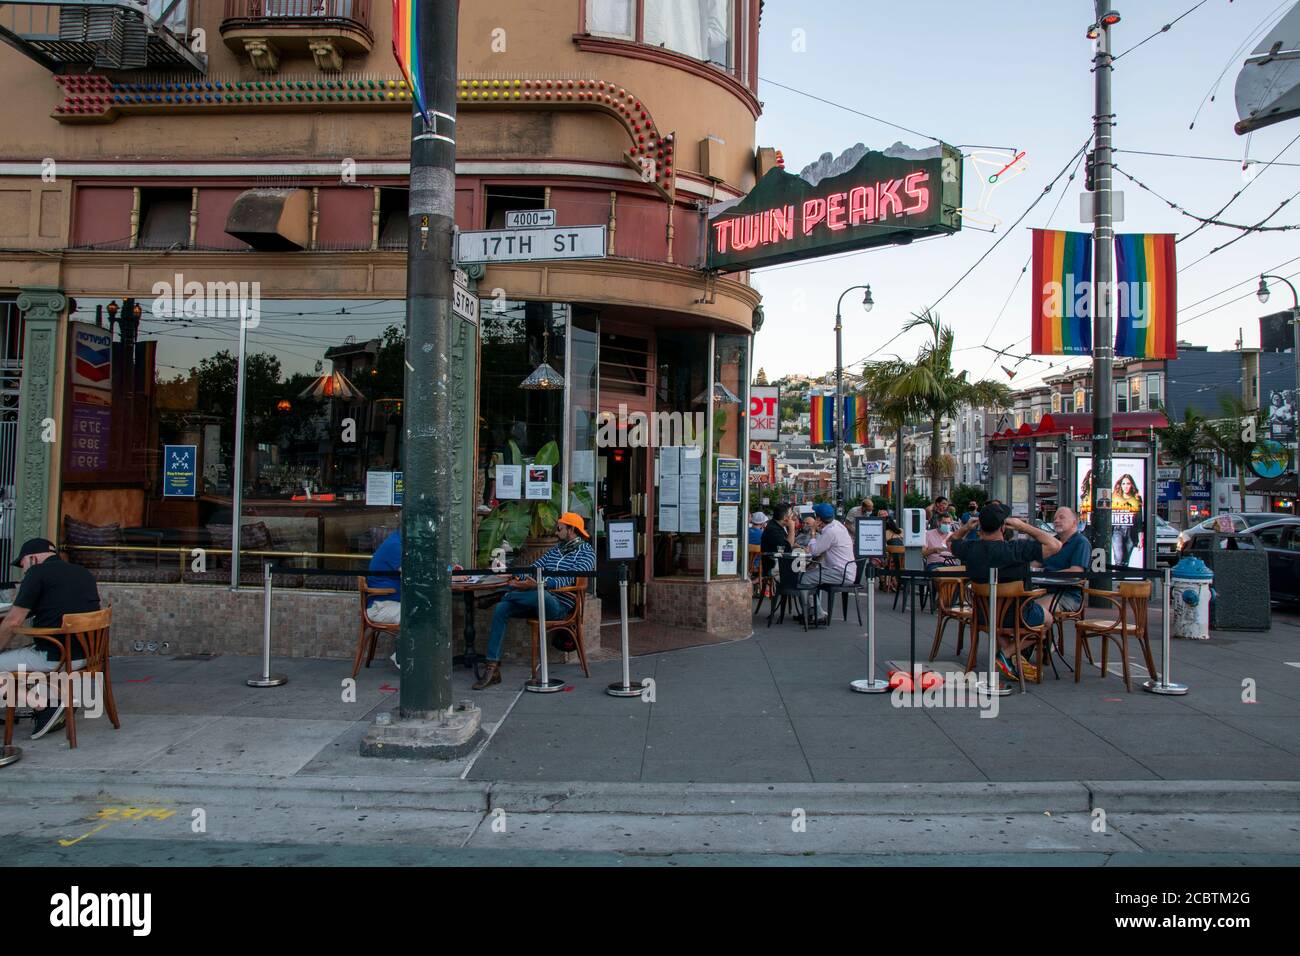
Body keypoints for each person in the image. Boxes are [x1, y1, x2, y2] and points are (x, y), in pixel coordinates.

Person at [473, 512, 596, 689]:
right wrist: (511, 572)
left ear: (571, 530)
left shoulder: (586, 553)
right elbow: (534, 568)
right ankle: (492, 668)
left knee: (539, 593)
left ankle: (504, 593)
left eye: (559, 528)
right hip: (534, 599)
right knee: (501, 608)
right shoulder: (557, 549)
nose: (556, 531)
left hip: (559, 605)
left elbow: (567, 579)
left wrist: (539, 583)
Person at [948, 504, 1062, 681]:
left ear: (979, 526)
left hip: (984, 616)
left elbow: (950, 542)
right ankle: (1007, 654)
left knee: (997, 622)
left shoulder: (970, 549)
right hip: (1019, 616)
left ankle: (1009, 655)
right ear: (1003, 527)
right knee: (1047, 621)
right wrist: (1022, 526)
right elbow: (1055, 545)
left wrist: (965, 527)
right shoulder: (1017, 549)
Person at [0, 538, 100, 739]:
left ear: (33, 558)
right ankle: (55, 699)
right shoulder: (82, 572)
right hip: (87, 655)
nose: (24, 571)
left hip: (56, 656)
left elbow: (13, 622)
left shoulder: (37, 573)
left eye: (23, 565)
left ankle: (41, 704)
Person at [796, 503, 855, 623]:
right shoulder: (838, 526)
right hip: (846, 570)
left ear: (818, 519)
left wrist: (813, 532)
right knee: (811, 574)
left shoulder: (830, 532)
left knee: (804, 578)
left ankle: (817, 614)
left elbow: (814, 550)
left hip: (839, 572)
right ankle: (812, 611)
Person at [1033, 506, 1090, 618]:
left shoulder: (1081, 543)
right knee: (1018, 606)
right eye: (1055, 518)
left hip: (1067, 595)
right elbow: (1035, 564)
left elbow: (1076, 572)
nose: (1056, 521)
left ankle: (1044, 634)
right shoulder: (1053, 542)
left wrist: (1045, 575)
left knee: (1033, 610)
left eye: (1061, 517)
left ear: (1074, 522)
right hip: (1044, 591)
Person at [1112, 474, 1143, 567]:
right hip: (1117, 530)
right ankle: (1117, 579)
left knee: (1126, 561)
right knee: (1119, 559)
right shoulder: (1115, 498)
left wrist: (1140, 538)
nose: (1125, 486)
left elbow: (1139, 520)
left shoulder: (1136, 499)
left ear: (1132, 485)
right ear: (1120, 485)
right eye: (1123, 483)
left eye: (1128, 483)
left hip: (1131, 532)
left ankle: (1121, 579)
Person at [760, 503, 796, 576]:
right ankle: (795, 585)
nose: (793, 515)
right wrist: (792, 528)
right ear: (786, 518)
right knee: (801, 565)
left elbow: (786, 544)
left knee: (803, 561)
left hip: (779, 560)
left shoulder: (776, 525)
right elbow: (787, 549)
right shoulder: (773, 530)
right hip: (774, 565)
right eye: (791, 513)